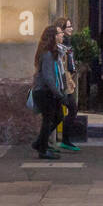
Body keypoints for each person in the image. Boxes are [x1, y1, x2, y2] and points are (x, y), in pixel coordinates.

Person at [31, 23, 65, 160]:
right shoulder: (47, 54)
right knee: (48, 119)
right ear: (52, 37)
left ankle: (39, 142)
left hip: (49, 91)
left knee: (58, 116)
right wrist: (59, 94)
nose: (62, 34)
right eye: (58, 33)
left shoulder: (54, 52)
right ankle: (42, 149)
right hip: (44, 92)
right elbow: (48, 78)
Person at [53, 15, 81, 153]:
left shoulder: (67, 43)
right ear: (62, 30)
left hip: (67, 81)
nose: (71, 29)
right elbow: (62, 65)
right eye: (69, 26)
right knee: (72, 109)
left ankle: (57, 140)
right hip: (63, 83)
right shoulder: (59, 46)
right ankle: (61, 140)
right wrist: (69, 80)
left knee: (58, 113)